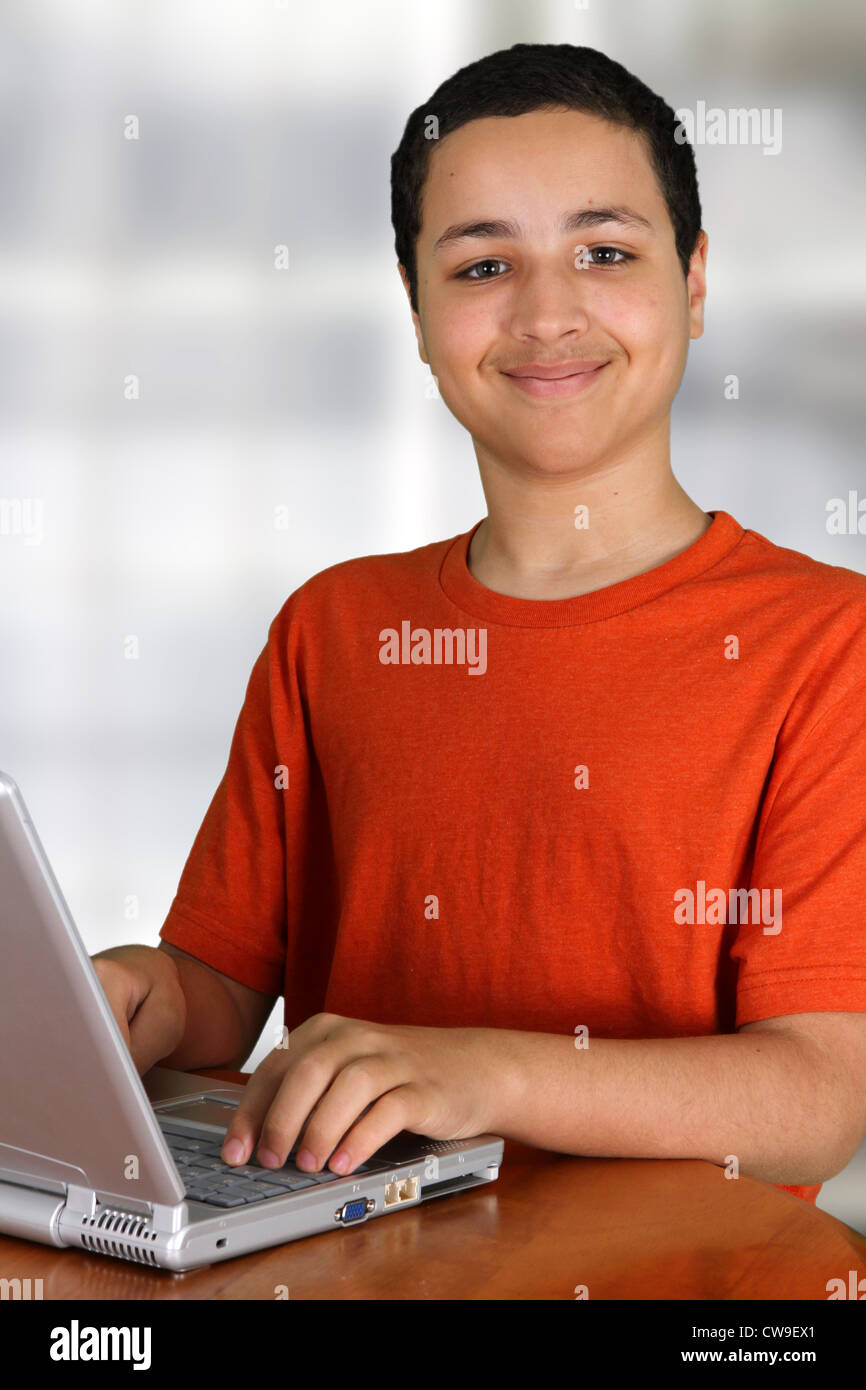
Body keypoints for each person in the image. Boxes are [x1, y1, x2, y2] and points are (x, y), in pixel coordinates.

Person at [93, 43, 866, 1208]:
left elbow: (811, 1103)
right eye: (481, 264)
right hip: (345, 1278)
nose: (546, 312)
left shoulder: (826, 644)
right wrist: (133, 995)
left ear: (694, 284)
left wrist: (479, 1071)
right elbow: (218, 994)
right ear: (413, 311)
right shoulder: (334, 628)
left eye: (603, 253)